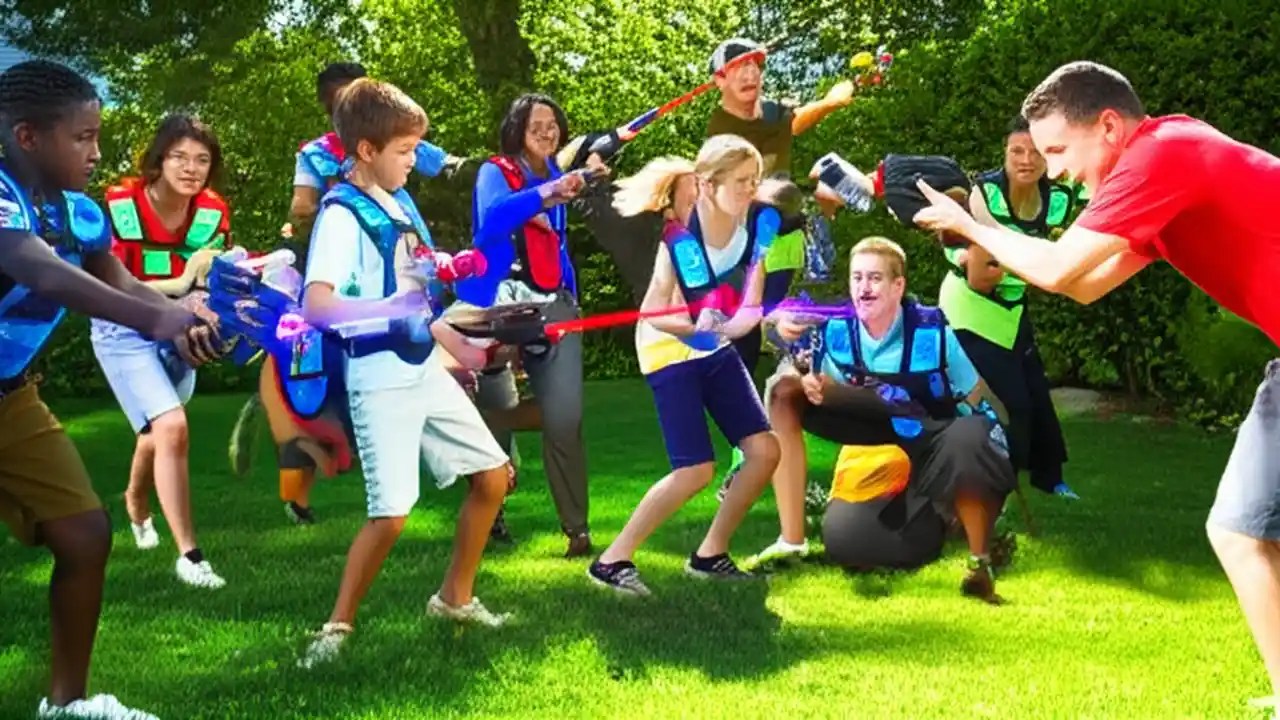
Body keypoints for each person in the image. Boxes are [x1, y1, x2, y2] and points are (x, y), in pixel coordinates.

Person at [911, 60, 1280, 713]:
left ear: (1108, 126)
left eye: (1058, 149)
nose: (1053, 170)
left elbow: (1056, 267)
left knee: (1243, 532)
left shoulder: (1163, 155)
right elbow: (1083, 285)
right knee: (1243, 531)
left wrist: (973, 228)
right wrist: (978, 227)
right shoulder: (1163, 171)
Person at [0, 59, 218, 720]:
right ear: (27, 137)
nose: (96, 152)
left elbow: (116, 282)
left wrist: (183, 319)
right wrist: (158, 317)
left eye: (97, 136)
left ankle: (66, 706)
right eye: (82, 138)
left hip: (9, 398)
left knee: (85, 534)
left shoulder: (79, 214)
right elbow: (33, 268)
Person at [297, 77, 513, 669]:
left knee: (493, 476)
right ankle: (336, 628)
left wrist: (445, 266)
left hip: (421, 368)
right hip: (379, 377)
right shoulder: (341, 215)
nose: (414, 163)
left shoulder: (395, 202)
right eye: (405, 152)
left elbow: (410, 272)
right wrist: (390, 308)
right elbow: (316, 307)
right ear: (366, 151)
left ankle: (453, 599)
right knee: (391, 513)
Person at [232, 61, 468, 526]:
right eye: (344, 99)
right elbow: (302, 208)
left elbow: (447, 165)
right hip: (358, 275)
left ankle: (474, 474)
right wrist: (345, 202)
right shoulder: (318, 158)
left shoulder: (396, 138)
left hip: (408, 263)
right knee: (335, 358)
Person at [759, 237, 1017, 602]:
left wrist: (993, 455)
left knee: (966, 446)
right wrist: (781, 334)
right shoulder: (834, 329)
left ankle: (960, 519)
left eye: (875, 278)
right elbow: (769, 322)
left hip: (927, 440)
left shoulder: (933, 334)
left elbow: (979, 399)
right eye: (857, 278)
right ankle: (792, 540)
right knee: (847, 543)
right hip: (871, 443)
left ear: (899, 286)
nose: (863, 288)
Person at [586, 134, 782, 596]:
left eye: (754, 181)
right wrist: (700, 323)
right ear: (708, 185)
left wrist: (740, 323)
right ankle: (611, 562)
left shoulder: (754, 231)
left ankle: (710, 555)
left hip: (711, 345)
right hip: (666, 349)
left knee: (764, 451)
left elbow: (752, 302)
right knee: (695, 470)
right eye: (739, 181)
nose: (750, 190)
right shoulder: (680, 240)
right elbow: (656, 312)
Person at [455, 93, 607, 558]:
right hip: (498, 306)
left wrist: (572, 300)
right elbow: (490, 224)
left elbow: (558, 247)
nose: (547, 131)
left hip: (555, 307)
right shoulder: (494, 172)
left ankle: (577, 532)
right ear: (517, 129)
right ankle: (490, 505)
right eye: (536, 124)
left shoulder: (561, 177)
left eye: (553, 124)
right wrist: (548, 192)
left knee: (565, 417)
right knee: (492, 395)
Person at [90, 113, 231, 589]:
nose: (191, 168)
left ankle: (135, 499)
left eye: (202, 160)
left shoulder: (212, 211)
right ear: (158, 160)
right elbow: (109, 285)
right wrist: (181, 289)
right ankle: (191, 558)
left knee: (157, 429)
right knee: (171, 426)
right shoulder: (117, 204)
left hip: (180, 326)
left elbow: (209, 281)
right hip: (121, 324)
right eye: (179, 157)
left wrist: (205, 305)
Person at [939, 114, 1081, 498]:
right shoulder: (984, 194)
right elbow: (984, 271)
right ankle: (998, 481)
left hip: (1014, 309)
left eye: (1035, 152)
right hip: (972, 308)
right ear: (1004, 155)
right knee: (1013, 402)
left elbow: (1104, 194)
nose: (1025, 160)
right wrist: (1045, 261)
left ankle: (1050, 479)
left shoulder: (1061, 196)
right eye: (1016, 151)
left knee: (1037, 393)